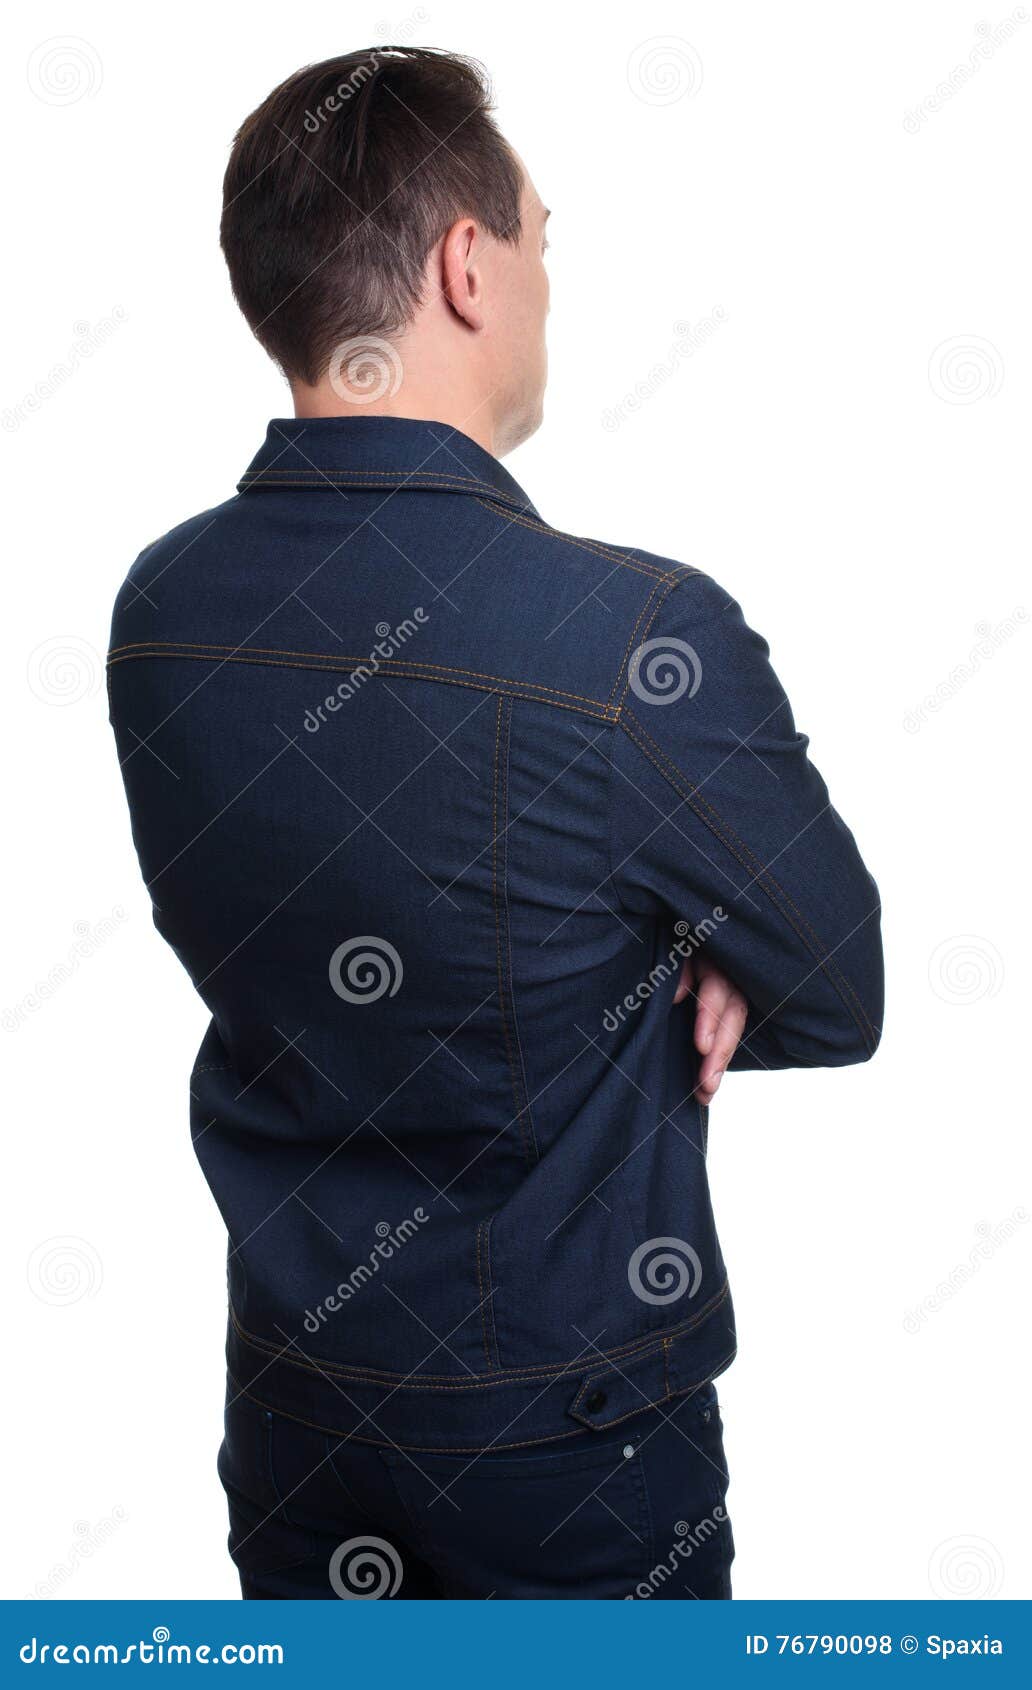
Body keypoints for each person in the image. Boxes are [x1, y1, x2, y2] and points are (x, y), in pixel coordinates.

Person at [107, 46, 883, 1600]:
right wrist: (689, 954)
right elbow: (839, 987)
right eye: (539, 236)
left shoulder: (161, 610)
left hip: (296, 1420)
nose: (542, 280)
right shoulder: (635, 640)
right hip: (571, 1461)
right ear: (468, 265)